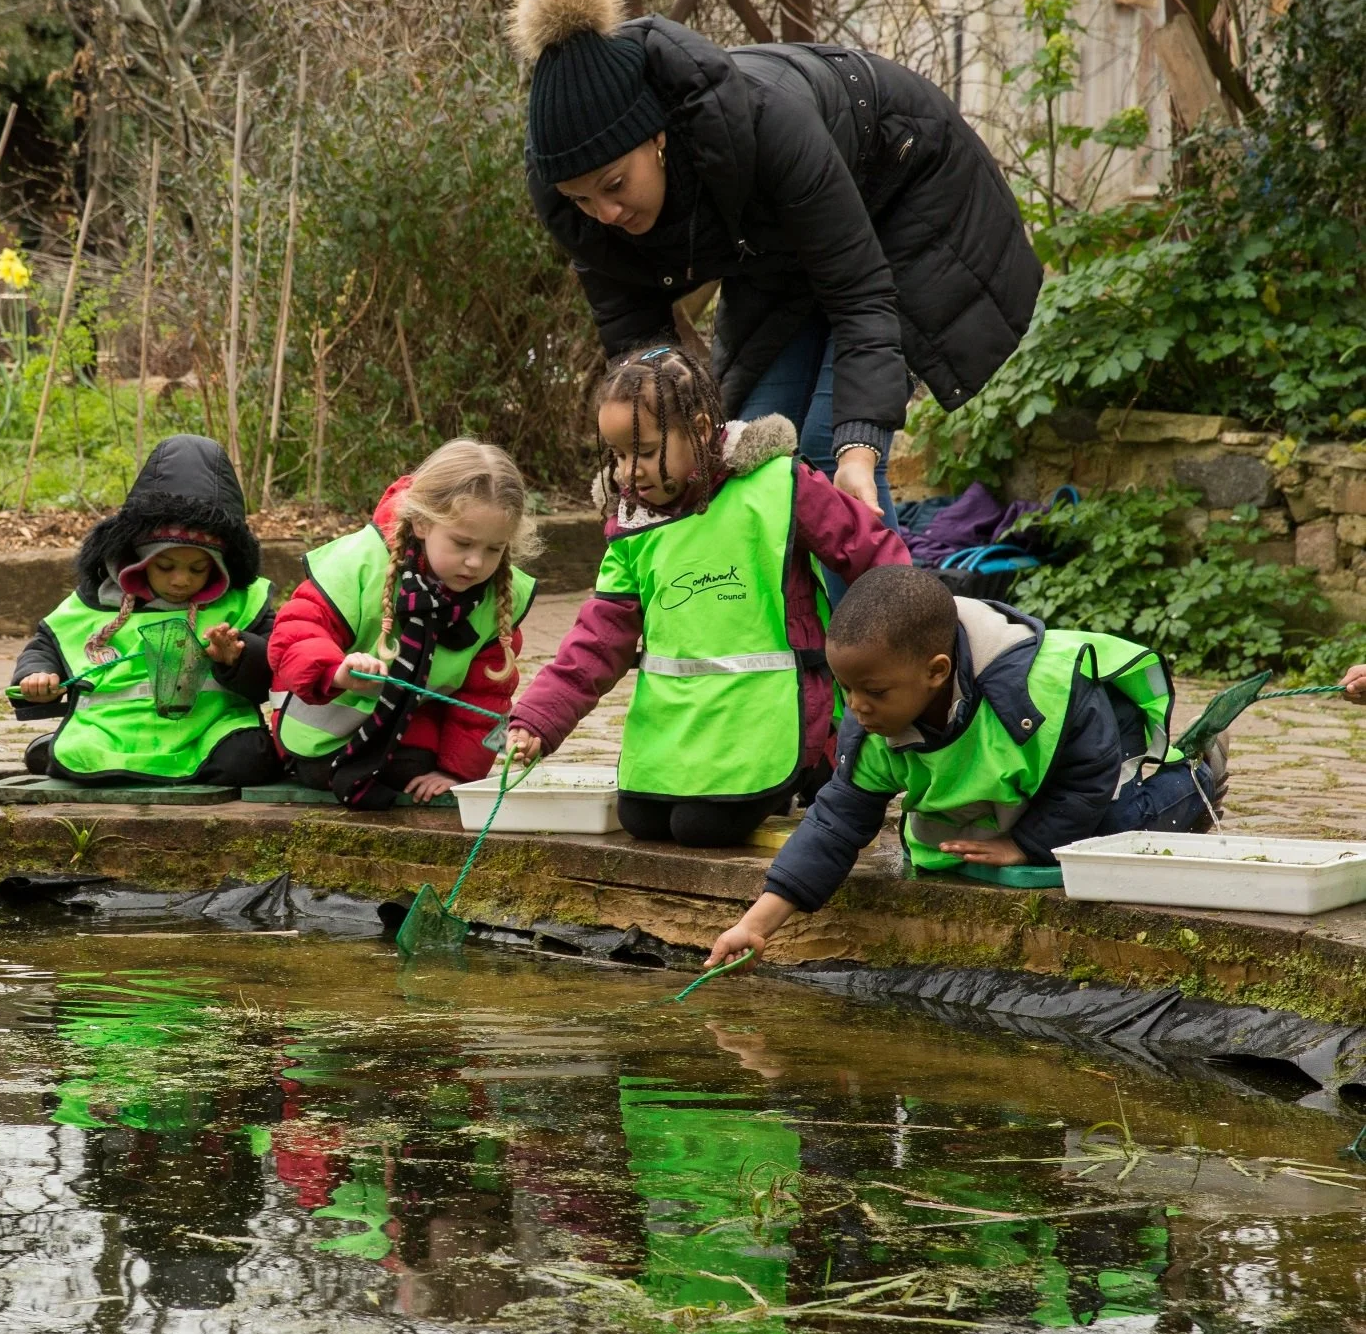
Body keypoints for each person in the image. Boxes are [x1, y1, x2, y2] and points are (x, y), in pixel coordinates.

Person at [511, 0, 1042, 524]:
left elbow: (859, 292)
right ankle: (779, 614)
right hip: (781, 247)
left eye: (616, 186)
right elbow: (642, 351)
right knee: (748, 457)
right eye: (582, 199)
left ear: (658, 137)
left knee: (822, 450)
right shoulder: (582, 212)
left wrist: (859, 448)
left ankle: (891, 613)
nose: (607, 214)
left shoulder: (767, 127)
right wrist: (654, 458)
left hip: (905, 192)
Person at [704, 565, 1228, 968]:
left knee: (1104, 834)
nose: (856, 708)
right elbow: (835, 822)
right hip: (1019, 785)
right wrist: (757, 925)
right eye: (847, 689)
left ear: (936, 673)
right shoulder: (875, 720)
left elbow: (1087, 778)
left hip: (1104, 763)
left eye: (873, 692)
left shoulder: (1040, 694)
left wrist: (1025, 845)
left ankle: (1198, 776)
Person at [504, 345, 910, 846]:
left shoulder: (779, 483)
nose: (628, 472)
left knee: (700, 828)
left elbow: (872, 552)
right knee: (642, 821)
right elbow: (596, 640)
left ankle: (817, 761)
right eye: (619, 455)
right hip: (683, 721)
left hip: (771, 712)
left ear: (699, 430)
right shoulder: (630, 523)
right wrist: (539, 720)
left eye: (645, 451)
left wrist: (911, 626)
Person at [270, 439, 537, 808]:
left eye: (494, 549)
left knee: (412, 771)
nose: (476, 563)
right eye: (462, 543)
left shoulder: (500, 599)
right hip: (321, 733)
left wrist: (456, 774)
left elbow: (484, 698)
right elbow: (296, 630)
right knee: (347, 773)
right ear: (423, 522)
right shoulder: (360, 562)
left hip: (407, 731)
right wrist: (337, 672)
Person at [11, 435, 283, 786]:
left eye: (198, 569)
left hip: (208, 728)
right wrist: (37, 675)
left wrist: (239, 656)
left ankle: (60, 751)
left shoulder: (243, 602)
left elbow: (279, 666)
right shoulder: (97, 601)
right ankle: (63, 747)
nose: (181, 581)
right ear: (137, 559)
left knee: (252, 760)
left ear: (220, 565)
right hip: (111, 729)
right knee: (78, 756)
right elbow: (45, 645)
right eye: (165, 566)